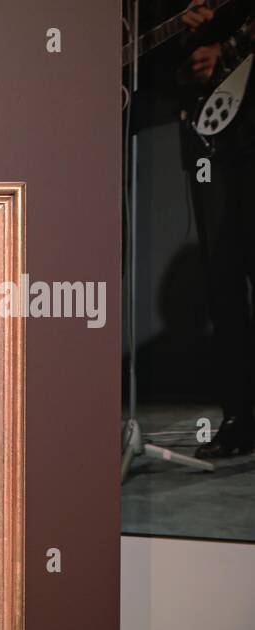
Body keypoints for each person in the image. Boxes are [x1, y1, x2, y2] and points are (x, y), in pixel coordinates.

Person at [178, 1, 255, 456]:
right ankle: (240, 417)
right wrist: (188, 64)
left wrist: (224, 50)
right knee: (222, 282)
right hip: (213, 141)